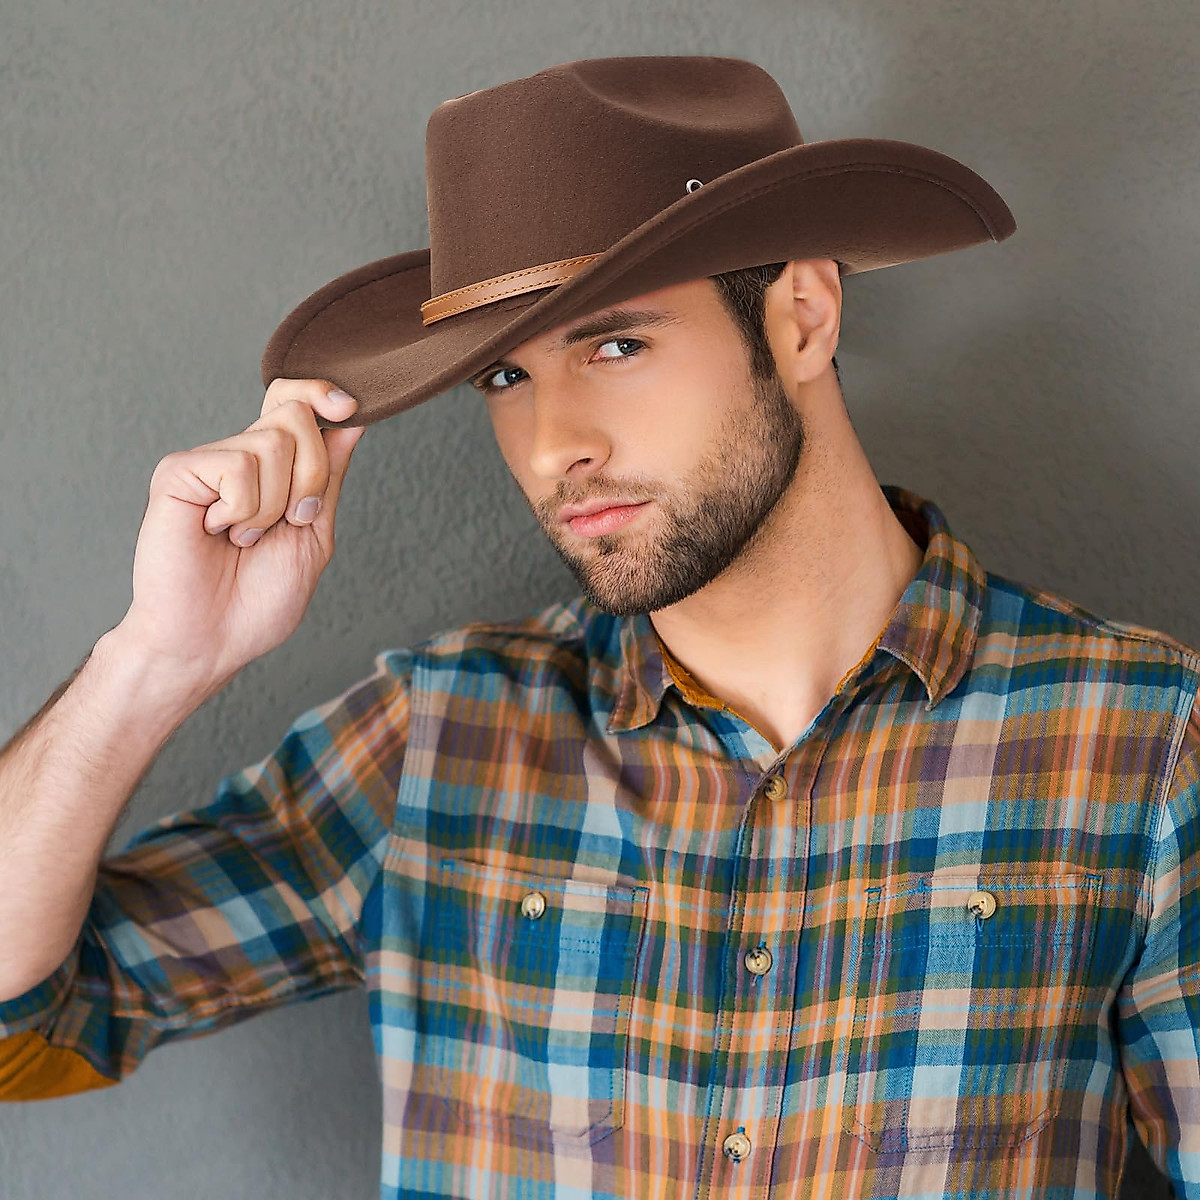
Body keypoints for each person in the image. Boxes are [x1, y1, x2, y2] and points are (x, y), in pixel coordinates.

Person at [0, 54, 1194, 1200]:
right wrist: (155, 661)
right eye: (504, 378)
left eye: (616, 344)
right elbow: (24, 1026)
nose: (551, 447)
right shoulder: (438, 741)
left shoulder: (1139, 748)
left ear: (802, 316)